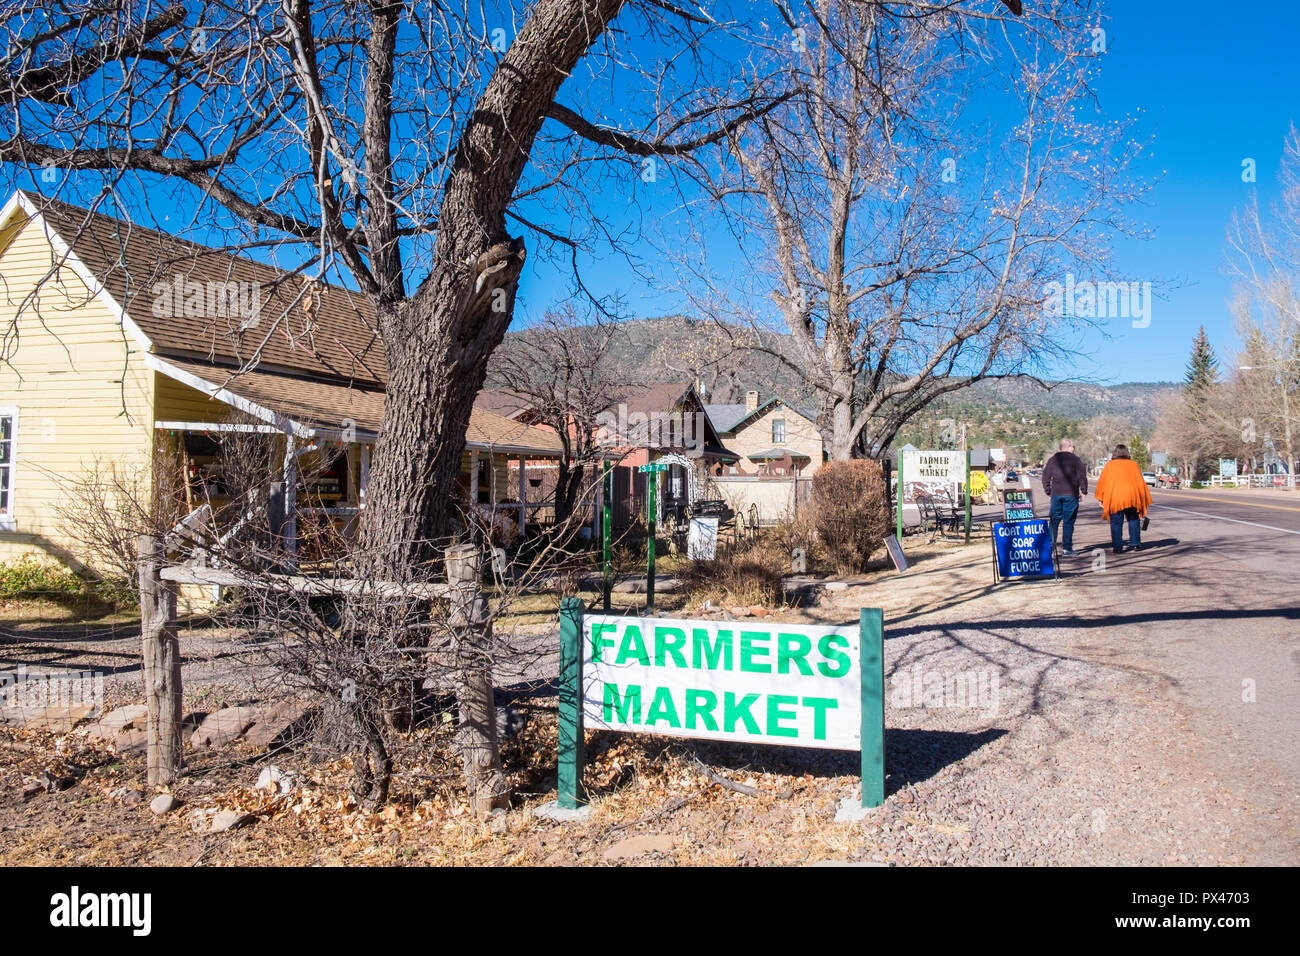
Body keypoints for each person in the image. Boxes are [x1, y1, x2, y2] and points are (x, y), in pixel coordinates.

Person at [1094, 444, 1151, 554]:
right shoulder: (1134, 465)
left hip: (1115, 499)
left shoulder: (1109, 466)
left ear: (1115, 453)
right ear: (1127, 453)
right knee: (1134, 520)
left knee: (1116, 523)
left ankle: (1118, 547)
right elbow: (1140, 483)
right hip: (1132, 498)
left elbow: (1103, 484)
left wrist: (1101, 499)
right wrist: (1142, 499)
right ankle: (1136, 544)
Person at [1041, 438, 1088, 556]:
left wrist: (1048, 490)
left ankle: (1050, 546)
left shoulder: (1053, 460)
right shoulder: (1076, 460)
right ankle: (1067, 548)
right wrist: (1084, 491)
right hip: (1071, 495)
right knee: (1068, 522)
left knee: (1054, 521)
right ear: (1069, 447)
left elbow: (1045, 476)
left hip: (1056, 495)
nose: (1074, 449)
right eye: (1073, 447)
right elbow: (1082, 476)